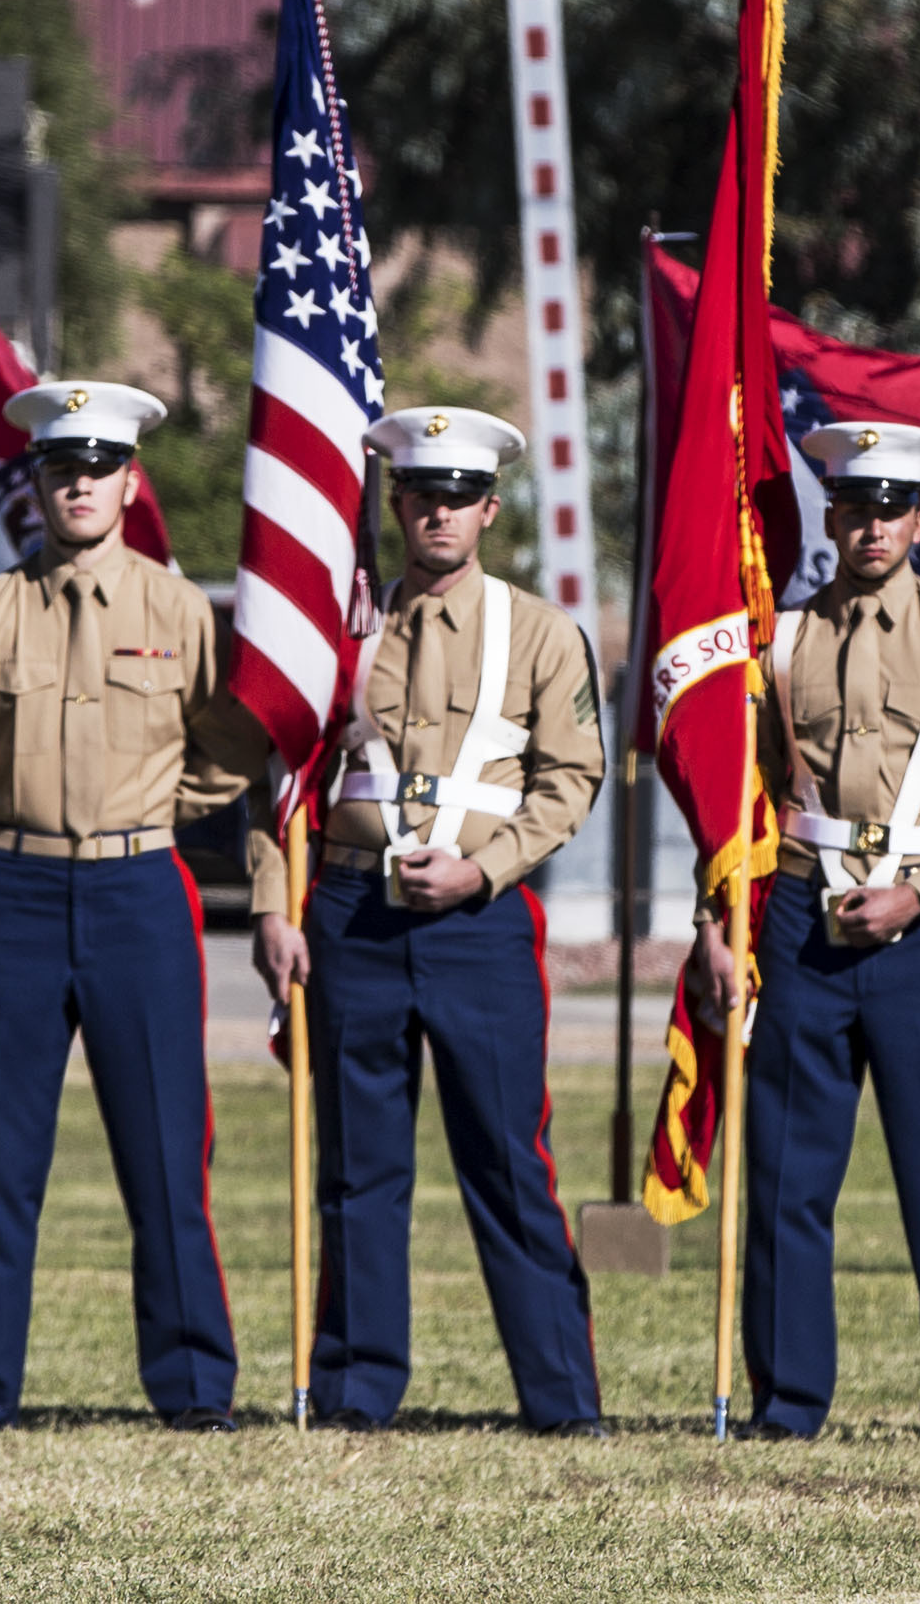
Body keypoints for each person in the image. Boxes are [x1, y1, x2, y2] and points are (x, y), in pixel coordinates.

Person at [0, 380, 270, 1432]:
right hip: (17, 893)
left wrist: (156, 807)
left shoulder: (180, 613)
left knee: (166, 1158)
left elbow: (235, 746)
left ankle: (194, 1388)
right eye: (62, 469)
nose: (80, 485)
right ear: (38, 483)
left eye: (100, 469)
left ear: (131, 485)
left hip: (142, 894)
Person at [249, 406, 608, 1436]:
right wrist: (272, 902)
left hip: (478, 923)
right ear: (396, 503)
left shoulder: (540, 632)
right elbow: (282, 770)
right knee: (358, 1166)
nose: (439, 512)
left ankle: (560, 1400)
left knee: (509, 1161)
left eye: (459, 496)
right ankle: (357, 1390)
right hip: (351, 912)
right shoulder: (337, 632)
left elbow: (570, 779)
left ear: (490, 509)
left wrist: (484, 870)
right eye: (421, 494)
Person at [690, 420, 920, 1441]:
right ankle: (788, 1398)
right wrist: (714, 919)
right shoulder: (779, 641)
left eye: (893, 508)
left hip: (918, 928)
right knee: (786, 1175)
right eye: (854, 507)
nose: (872, 525)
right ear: (830, 516)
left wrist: (918, 895)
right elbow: (739, 798)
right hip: (802, 921)